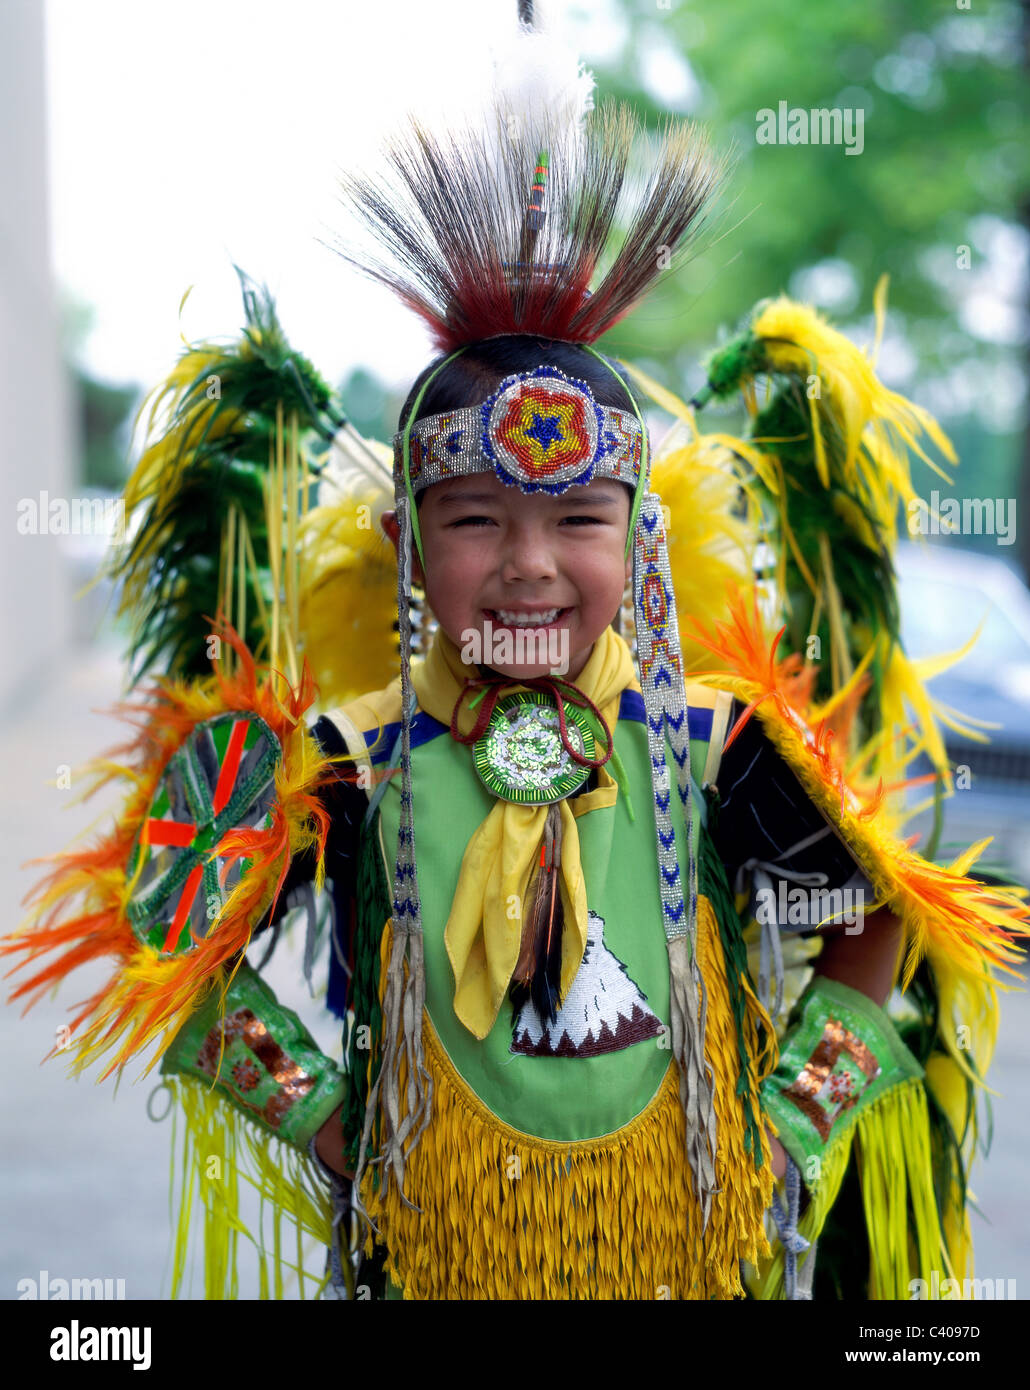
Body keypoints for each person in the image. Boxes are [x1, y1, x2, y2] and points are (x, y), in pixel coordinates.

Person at [3, 31, 1023, 1303]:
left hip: (691, 1265)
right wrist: (332, 1124)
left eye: (578, 522)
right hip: (428, 1263)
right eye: (478, 519)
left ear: (640, 536)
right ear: (408, 544)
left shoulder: (715, 746)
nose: (529, 565)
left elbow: (875, 918)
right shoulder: (344, 762)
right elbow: (168, 947)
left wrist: (787, 1126)